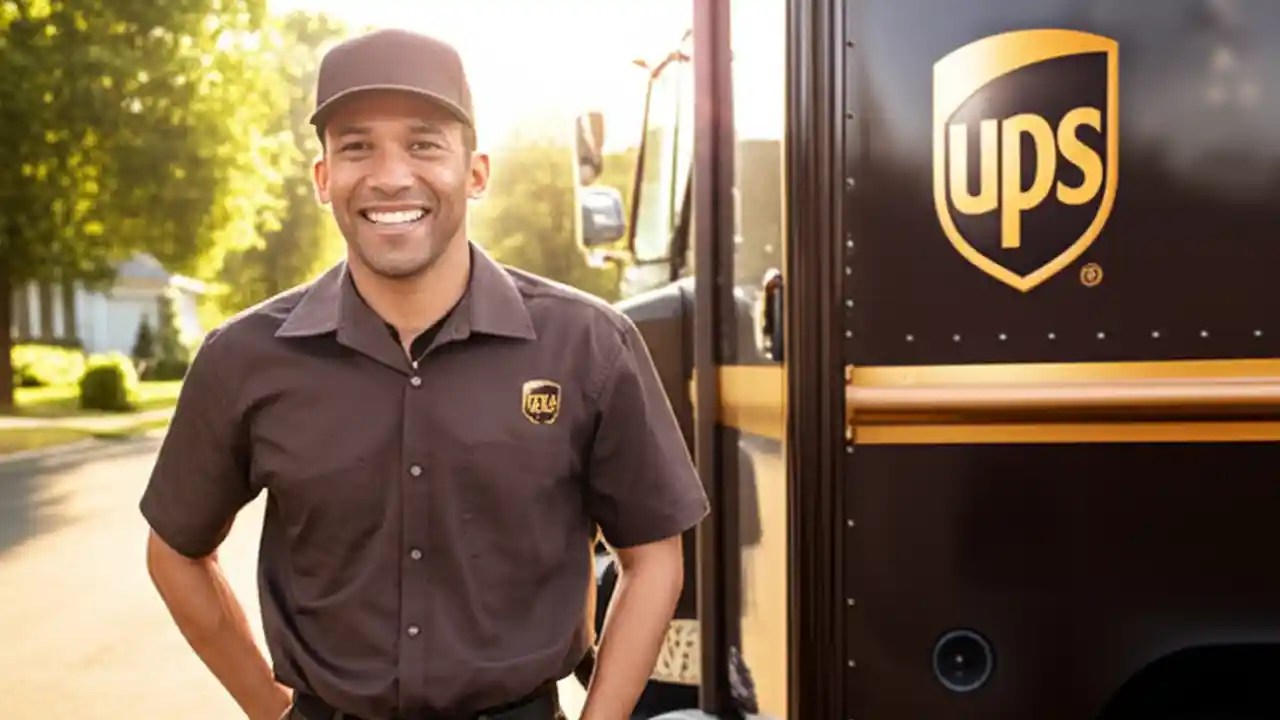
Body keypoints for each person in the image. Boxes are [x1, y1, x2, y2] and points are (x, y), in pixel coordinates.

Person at [140, 27, 709, 720]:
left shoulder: (589, 345)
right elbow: (175, 554)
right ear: (324, 178)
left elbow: (654, 556)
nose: (389, 175)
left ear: (475, 171)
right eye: (356, 146)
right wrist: (272, 709)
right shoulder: (243, 359)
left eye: (423, 143)